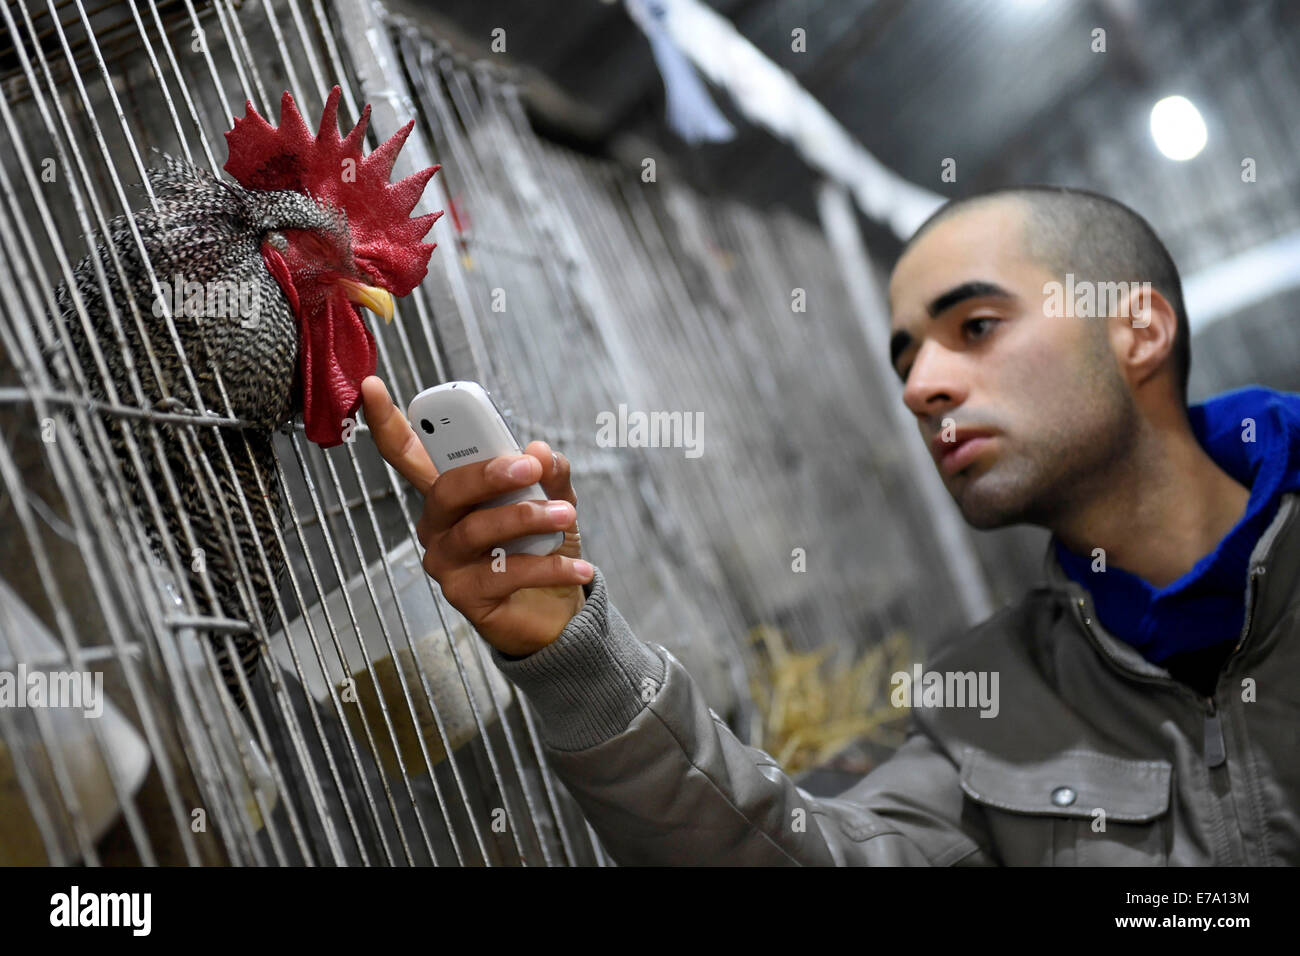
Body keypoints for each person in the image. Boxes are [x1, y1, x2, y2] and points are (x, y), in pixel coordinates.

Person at [360, 185, 1300, 865]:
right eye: (906, 361)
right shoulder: (991, 704)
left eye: (976, 326)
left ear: (1139, 331)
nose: (922, 388)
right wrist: (577, 663)